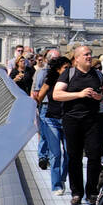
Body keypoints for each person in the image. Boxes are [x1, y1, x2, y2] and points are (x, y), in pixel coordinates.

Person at [52, 43, 103, 205]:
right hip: (72, 120)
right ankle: (76, 192)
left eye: (90, 54)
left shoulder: (99, 75)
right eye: (85, 54)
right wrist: (79, 94)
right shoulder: (68, 73)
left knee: (94, 156)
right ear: (77, 58)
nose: (89, 57)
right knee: (74, 156)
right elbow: (57, 94)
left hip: (93, 120)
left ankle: (92, 192)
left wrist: (99, 97)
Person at [32, 49, 68, 195]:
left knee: (70, 153)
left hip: (68, 119)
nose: (68, 71)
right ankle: (56, 185)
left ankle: (63, 178)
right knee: (56, 154)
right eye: (66, 68)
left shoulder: (73, 81)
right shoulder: (50, 80)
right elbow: (39, 97)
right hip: (51, 118)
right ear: (58, 69)